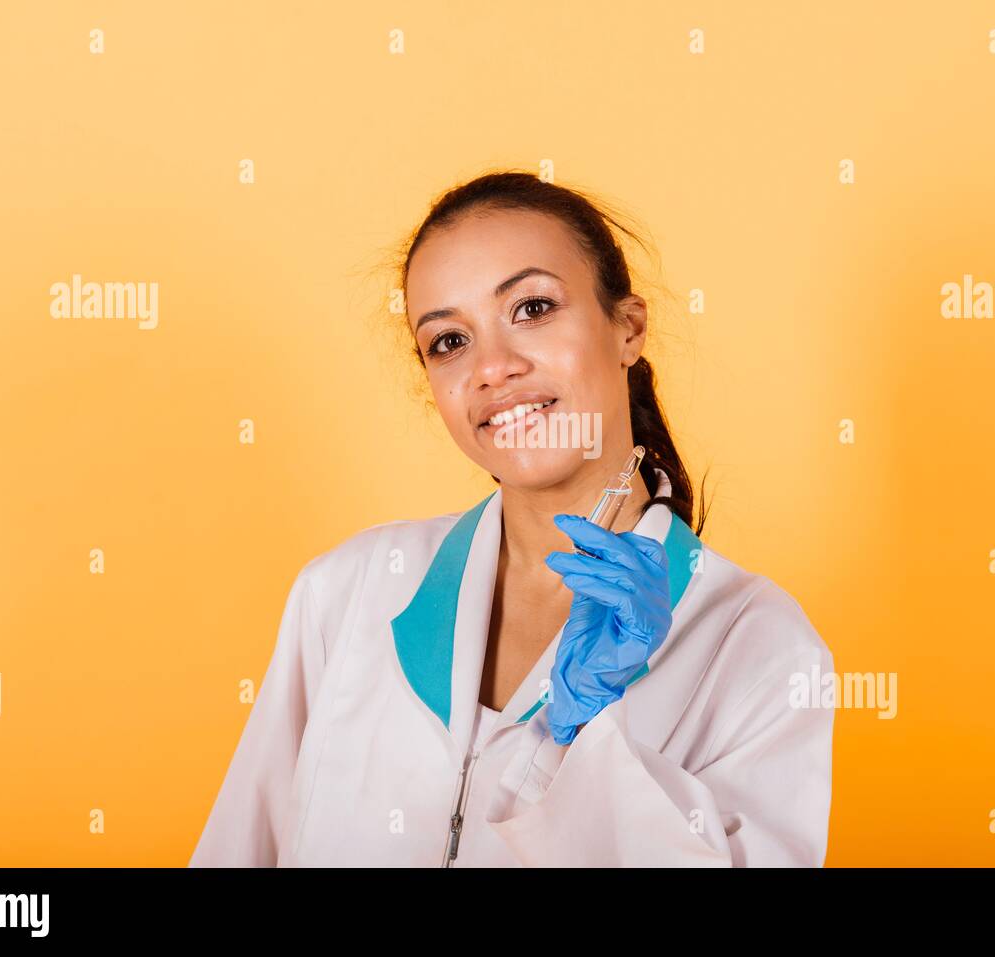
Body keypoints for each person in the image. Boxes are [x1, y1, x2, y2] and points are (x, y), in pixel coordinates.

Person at [189, 171, 834, 867]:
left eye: (532, 307)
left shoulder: (757, 645)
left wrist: (592, 740)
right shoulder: (346, 593)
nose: (493, 367)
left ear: (628, 327)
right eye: (449, 341)